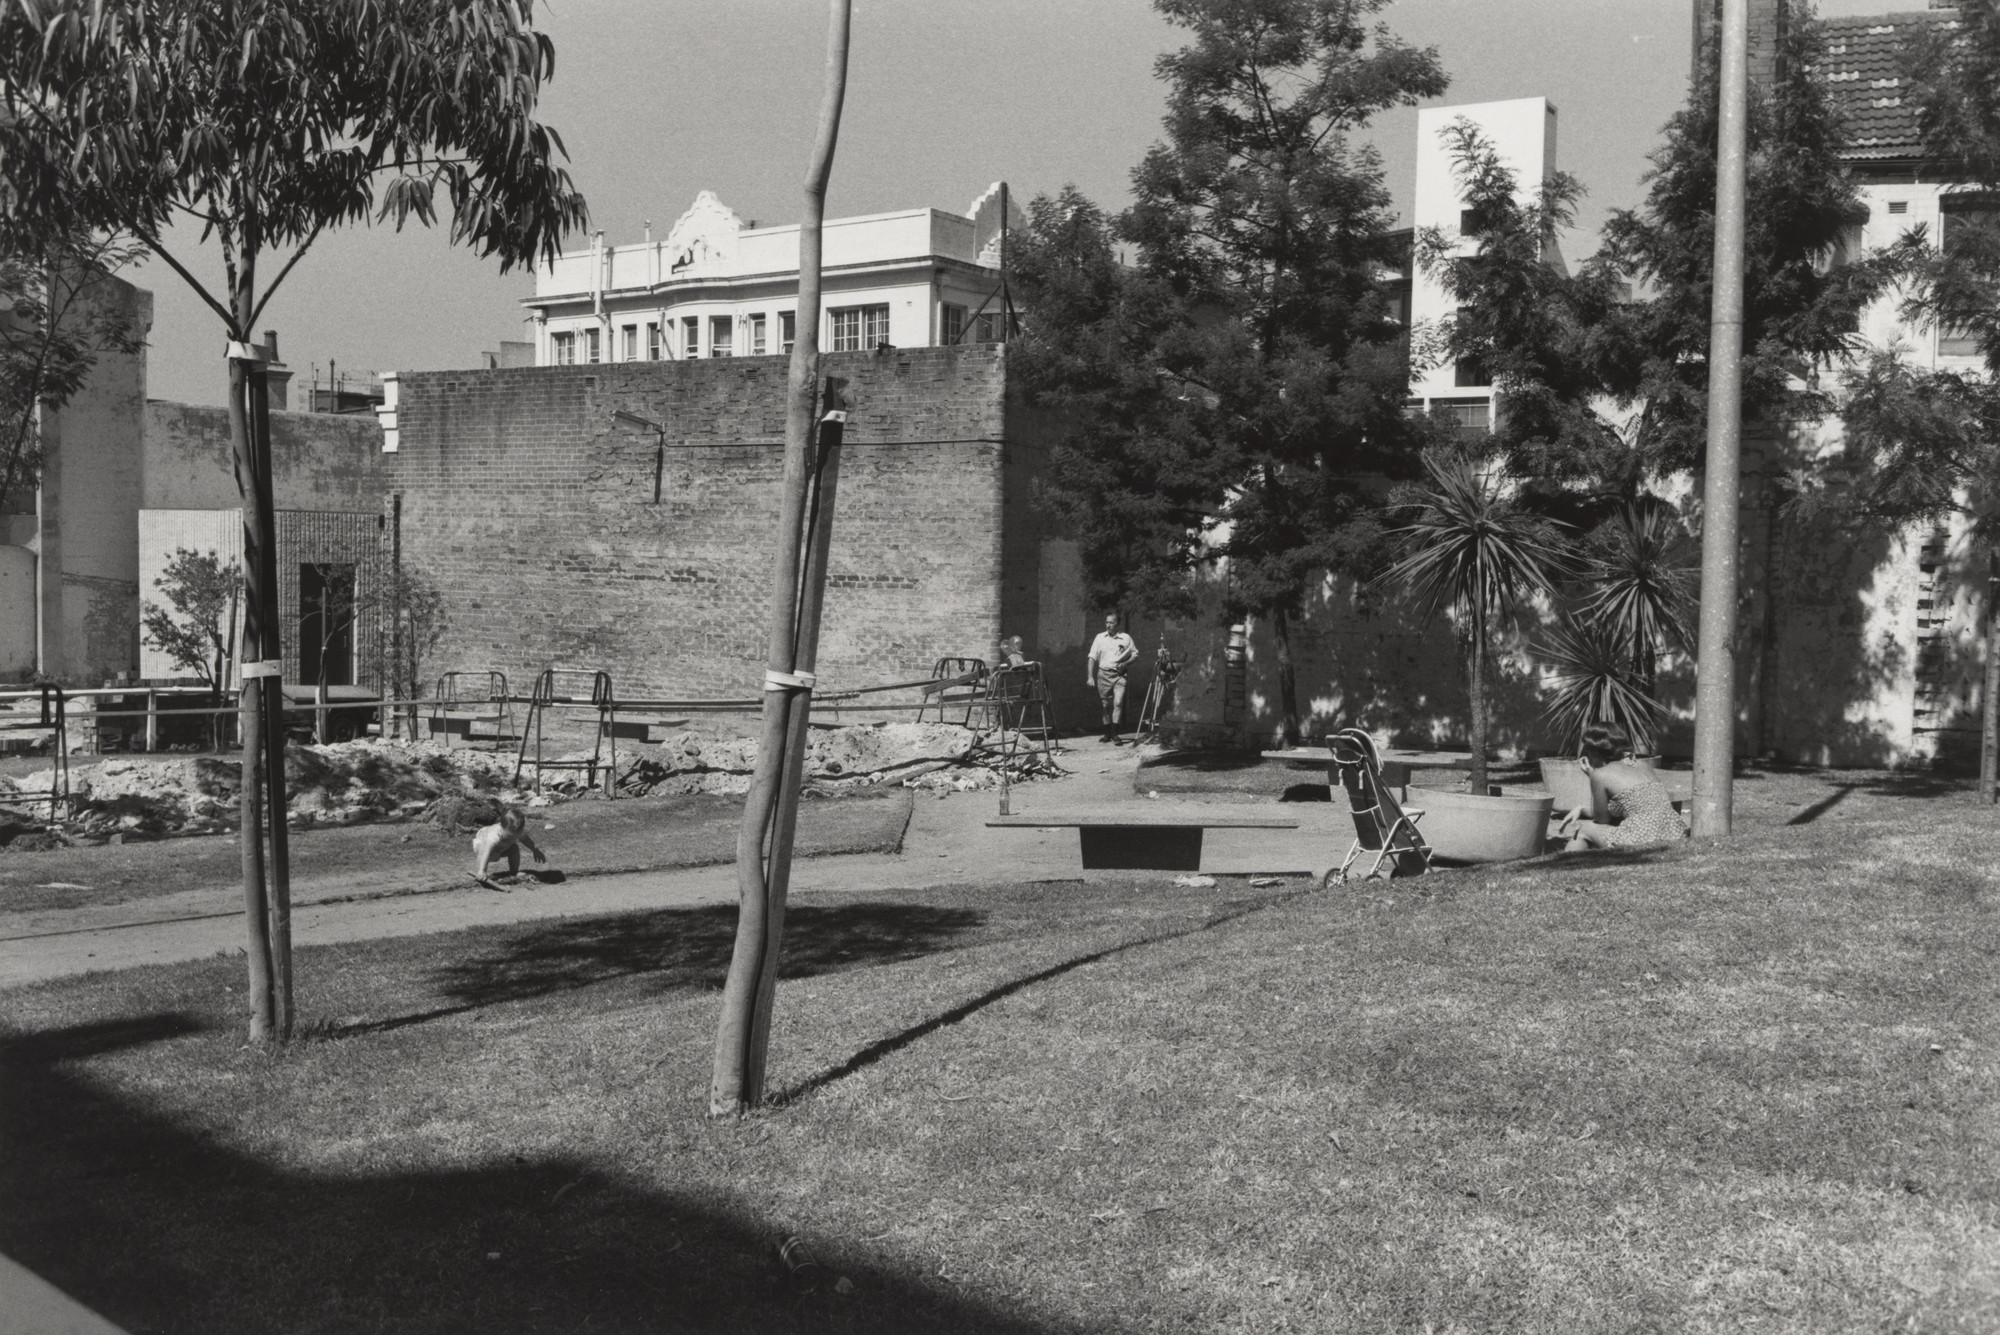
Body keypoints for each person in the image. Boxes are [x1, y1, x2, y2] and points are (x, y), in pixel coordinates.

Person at [1557, 722, 1687, 850]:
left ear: (1594, 752)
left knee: (1582, 829)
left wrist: (1592, 775)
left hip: (1644, 838)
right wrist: (1581, 809)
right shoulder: (1643, 765)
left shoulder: (1600, 775)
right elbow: (1633, 806)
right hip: (1673, 832)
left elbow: (1602, 820)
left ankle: (1564, 869)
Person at [1086, 613, 1138, 743]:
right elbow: (1092, 657)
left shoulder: (1125, 638)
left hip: (1120, 675)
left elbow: (1135, 654)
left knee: (1118, 702)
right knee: (1104, 705)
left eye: (1111, 623)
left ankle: (1115, 734)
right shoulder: (1099, 638)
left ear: (1117, 624)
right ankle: (1106, 733)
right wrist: (1090, 676)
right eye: (1106, 622)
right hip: (1103, 675)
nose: (1108, 625)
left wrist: (1126, 664)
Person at [471, 807, 546, 888]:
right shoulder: (494, 835)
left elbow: (526, 840)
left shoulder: (518, 830)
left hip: (500, 847)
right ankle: (481, 872)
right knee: (486, 853)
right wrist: (482, 870)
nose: (511, 838)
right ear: (503, 828)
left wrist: (535, 850)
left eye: (514, 836)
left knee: (514, 848)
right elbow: (486, 852)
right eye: (509, 836)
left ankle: (514, 872)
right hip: (482, 842)